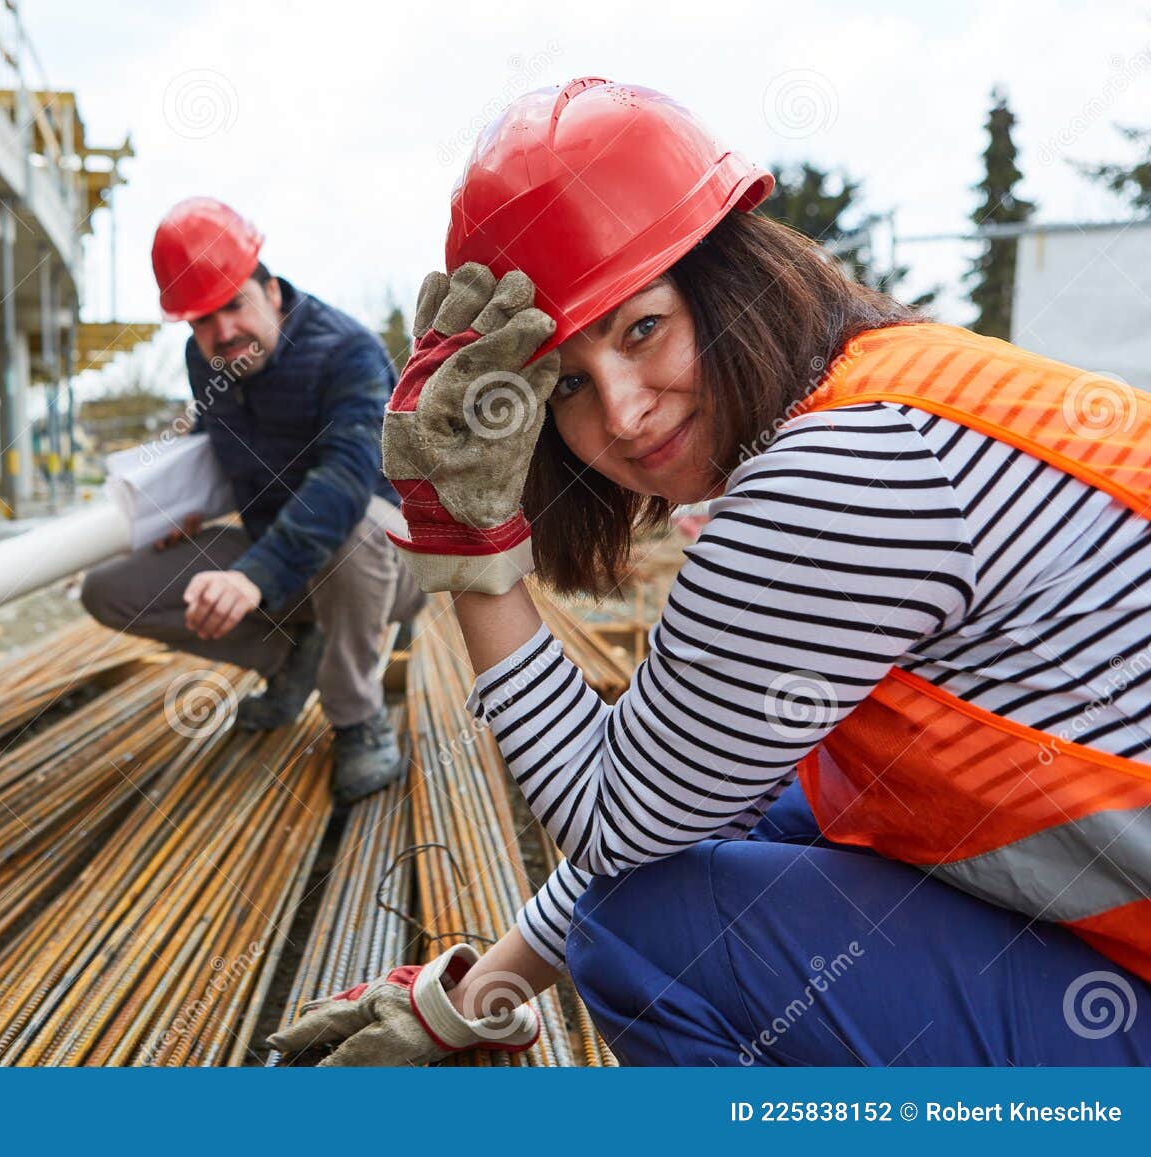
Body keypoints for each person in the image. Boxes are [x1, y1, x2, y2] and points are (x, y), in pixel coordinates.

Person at [268, 79, 1151, 1065]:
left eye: (642, 328)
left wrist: (473, 552)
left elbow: (613, 823)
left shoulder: (836, 478)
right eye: (568, 382)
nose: (623, 412)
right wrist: (476, 996)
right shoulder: (895, 386)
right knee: (796, 802)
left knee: (646, 936)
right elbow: (682, 804)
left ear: (730, 279)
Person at [81, 197, 424, 803]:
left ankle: (357, 716)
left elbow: (347, 476)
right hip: (282, 557)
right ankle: (293, 657)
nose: (222, 333)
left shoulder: (348, 352)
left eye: (234, 305)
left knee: (352, 531)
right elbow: (216, 445)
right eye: (201, 321)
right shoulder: (207, 360)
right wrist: (179, 510)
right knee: (110, 589)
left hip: (384, 561)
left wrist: (252, 577)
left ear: (270, 289)